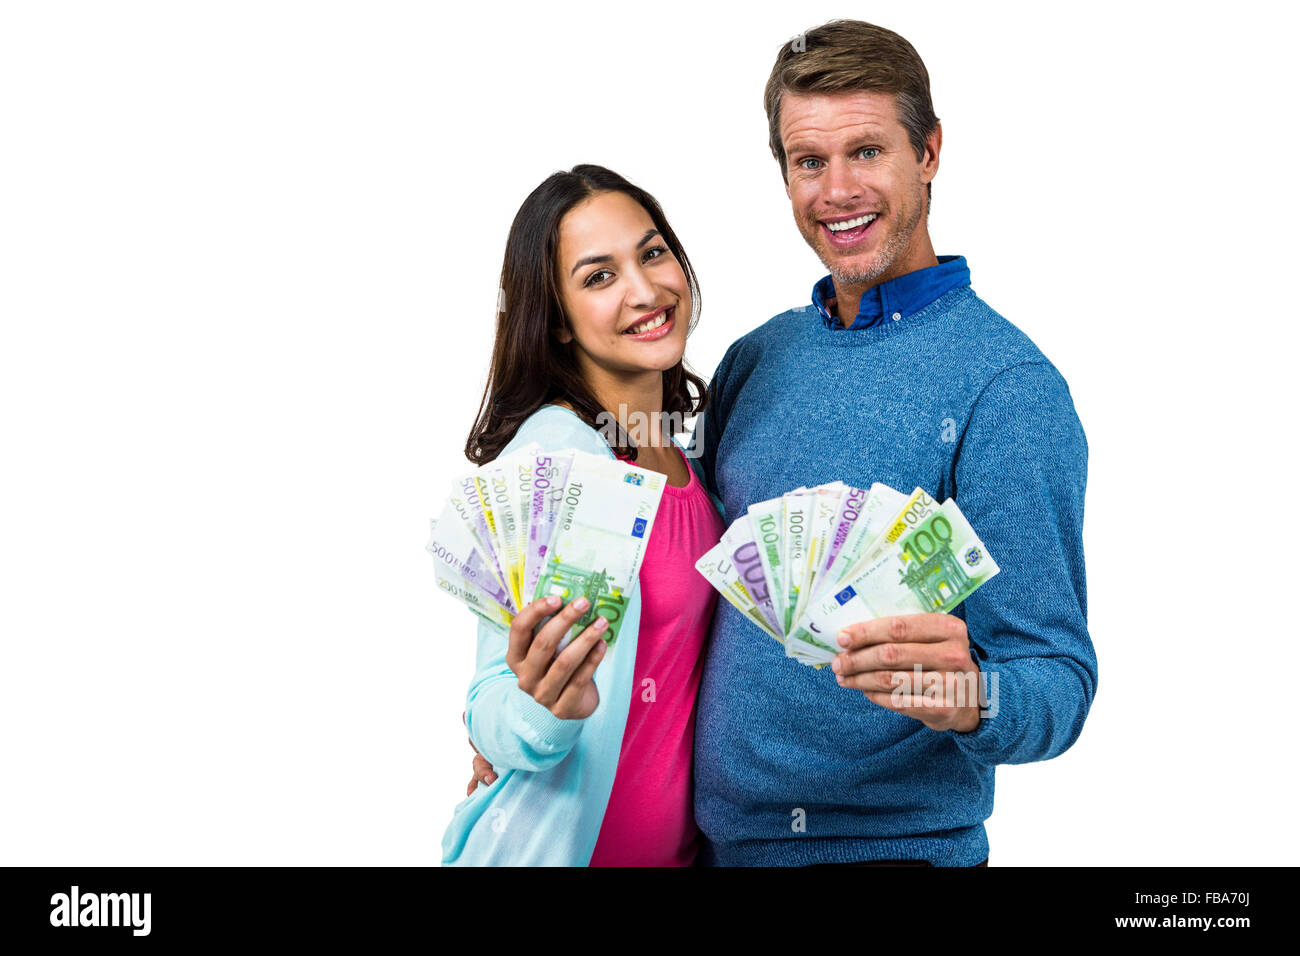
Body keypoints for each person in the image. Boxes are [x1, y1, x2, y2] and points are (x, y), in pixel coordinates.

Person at [469, 19, 1097, 868]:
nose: (837, 189)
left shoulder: (1010, 389)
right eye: (809, 161)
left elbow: (1056, 679)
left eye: (867, 152)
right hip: (715, 851)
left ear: (931, 153)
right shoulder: (756, 361)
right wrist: (518, 729)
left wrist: (974, 695)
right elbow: (673, 585)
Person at [441, 164, 727, 866]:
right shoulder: (560, 468)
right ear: (558, 321)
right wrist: (548, 711)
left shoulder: (698, 461)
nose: (645, 290)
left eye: (652, 252)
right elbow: (491, 705)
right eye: (599, 277)